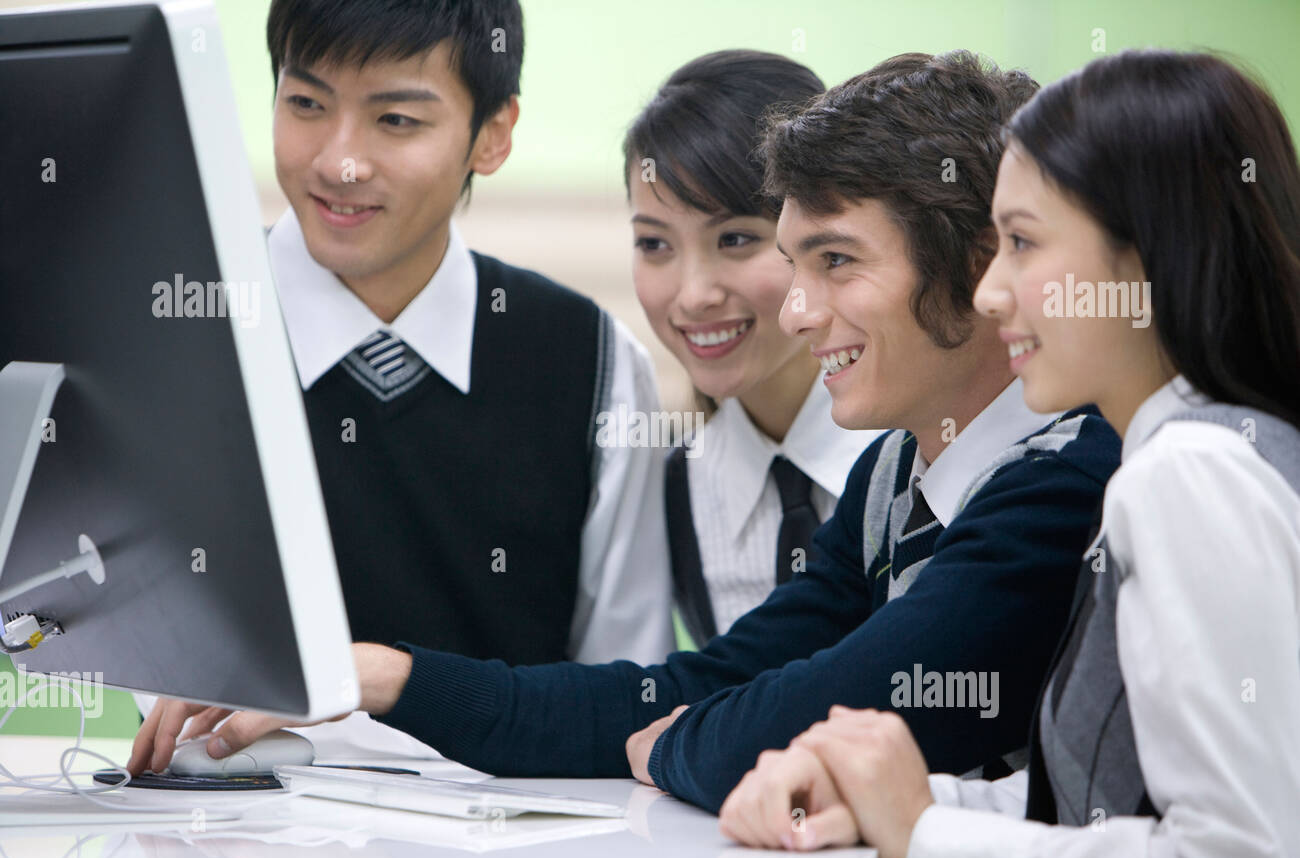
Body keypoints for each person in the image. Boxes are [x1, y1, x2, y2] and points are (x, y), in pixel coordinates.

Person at [130, 52, 1122, 817]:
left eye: (833, 262)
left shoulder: (1069, 475)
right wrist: (382, 676)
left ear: (978, 262)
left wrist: (677, 740)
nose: (797, 310)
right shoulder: (899, 474)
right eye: (793, 260)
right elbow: (708, 681)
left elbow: (831, 703)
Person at [717, 49, 1300, 858]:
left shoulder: (1190, 474)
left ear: (1142, 256)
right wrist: (899, 802)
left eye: (1022, 244)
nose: (990, 293)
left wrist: (926, 835)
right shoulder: (1211, 451)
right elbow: (1100, 798)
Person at [130, 0, 674, 770]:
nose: (339, 162)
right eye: (308, 104)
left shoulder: (592, 361)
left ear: (493, 134)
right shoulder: (174, 331)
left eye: (395, 121)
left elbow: (624, 695)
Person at [624, 50, 879, 650]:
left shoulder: (921, 452)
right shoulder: (675, 492)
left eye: (735, 238)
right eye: (654, 244)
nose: (693, 296)